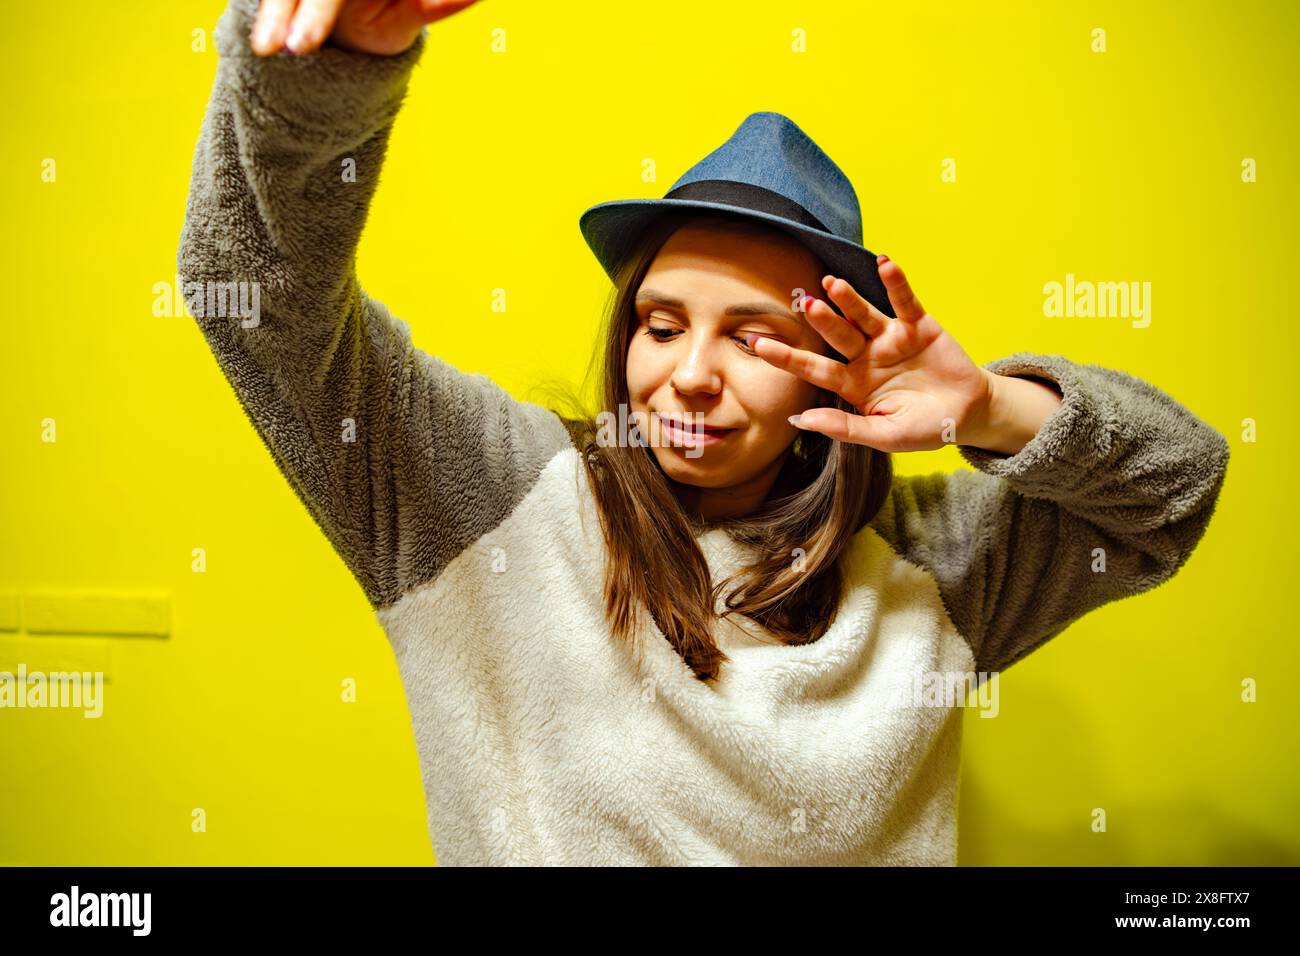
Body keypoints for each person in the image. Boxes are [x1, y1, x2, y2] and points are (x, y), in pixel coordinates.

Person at [177, 0, 1231, 866]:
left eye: (754, 337)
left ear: (834, 358)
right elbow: (253, 294)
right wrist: (331, 68)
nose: (686, 371)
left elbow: (1177, 487)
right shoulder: (485, 490)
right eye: (660, 322)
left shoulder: (932, 563)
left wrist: (993, 410)